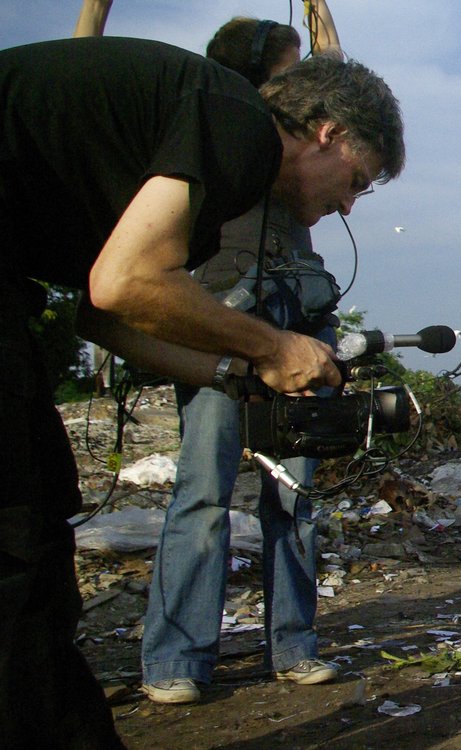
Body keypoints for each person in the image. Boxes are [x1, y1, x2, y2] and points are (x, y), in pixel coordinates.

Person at [0, 31, 403, 747]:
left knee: (32, 527)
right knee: (18, 547)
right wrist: (271, 343)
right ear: (327, 133)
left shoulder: (212, 174)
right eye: (358, 179)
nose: (349, 205)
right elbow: (126, 282)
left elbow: (107, 315)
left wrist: (235, 372)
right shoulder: (236, 123)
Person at [72, 1, 355, 706]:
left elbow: (343, 86)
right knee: (204, 489)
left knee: (295, 493)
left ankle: (294, 646)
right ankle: (176, 660)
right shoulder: (220, 131)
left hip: (301, 309)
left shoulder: (303, 149)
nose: (304, 86)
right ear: (253, 70)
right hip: (224, 312)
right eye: (290, 71)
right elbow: (85, 62)